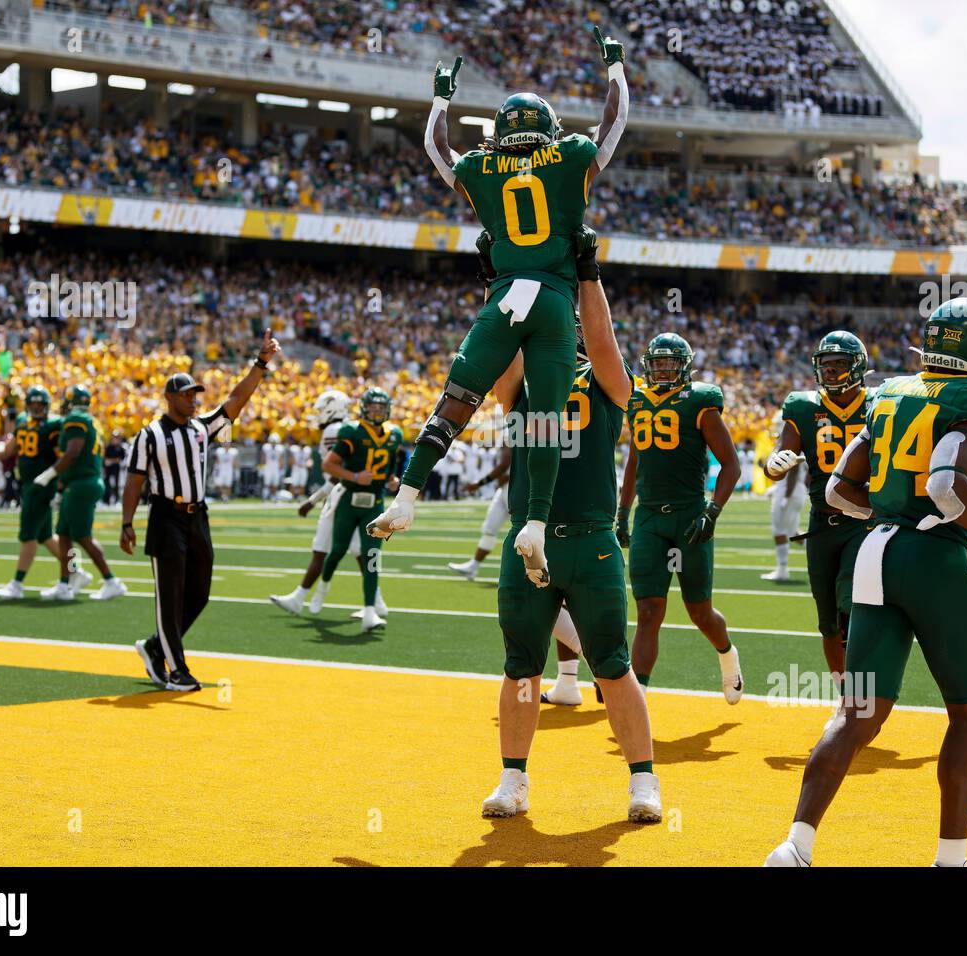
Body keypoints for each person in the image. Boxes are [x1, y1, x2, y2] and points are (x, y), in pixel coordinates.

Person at [368, 27, 630, 595]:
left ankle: (407, 497)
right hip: (557, 301)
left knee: (459, 396)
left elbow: (438, 150)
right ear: (549, 131)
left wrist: (440, 99)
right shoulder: (571, 157)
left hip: (506, 294)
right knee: (544, 420)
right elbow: (611, 130)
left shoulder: (482, 169)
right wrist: (614, 70)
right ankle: (535, 523)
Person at [765, 297, 967, 868]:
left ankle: (795, 847)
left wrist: (887, 518)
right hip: (931, 557)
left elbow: (836, 490)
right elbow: (945, 483)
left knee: (856, 712)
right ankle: (951, 859)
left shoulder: (888, 393)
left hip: (873, 552)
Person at [481, 226, 661, 823]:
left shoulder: (607, 379)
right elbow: (499, 350)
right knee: (521, 666)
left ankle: (642, 783)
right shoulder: (523, 383)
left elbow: (604, 338)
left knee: (612, 664)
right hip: (529, 540)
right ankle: (513, 779)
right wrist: (501, 285)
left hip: (589, 540)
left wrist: (587, 273)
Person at [122, 330, 281, 692]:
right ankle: (177, 668)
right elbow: (134, 480)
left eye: (196, 394)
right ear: (169, 398)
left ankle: (154, 646)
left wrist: (260, 364)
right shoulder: (150, 435)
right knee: (170, 594)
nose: (194, 400)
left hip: (198, 516)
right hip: (165, 515)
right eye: (187, 394)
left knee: (200, 592)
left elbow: (236, 399)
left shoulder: (200, 428)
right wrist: (127, 522)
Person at [617, 332, 744, 702]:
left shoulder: (700, 401)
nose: (663, 370)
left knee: (699, 611)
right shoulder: (637, 399)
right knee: (648, 609)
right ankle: (636, 696)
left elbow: (731, 466)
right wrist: (623, 511)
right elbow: (635, 459)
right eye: (657, 363)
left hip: (689, 516)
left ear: (685, 367)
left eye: (670, 363)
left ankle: (727, 655)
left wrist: (712, 512)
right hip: (650, 518)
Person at [764, 331, 874, 679]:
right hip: (821, 524)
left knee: (849, 603)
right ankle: (845, 699)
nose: (831, 372)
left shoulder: (878, 404)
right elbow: (781, 457)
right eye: (826, 366)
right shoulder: (803, 405)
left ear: (857, 367)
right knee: (828, 623)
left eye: (840, 365)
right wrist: (774, 465)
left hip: (864, 520)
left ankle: (863, 689)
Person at [270, 389, 389, 619]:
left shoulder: (336, 431)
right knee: (352, 550)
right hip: (348, 494)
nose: (319, 414)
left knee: (326, 549)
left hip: (341, 496)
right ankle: (376, 602)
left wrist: (313, 500)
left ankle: (300, 598)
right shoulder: (351, 428)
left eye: (322, 410)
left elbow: (337, 472)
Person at [317, 387, 403, 632]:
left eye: (381, 408)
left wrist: (391, 480)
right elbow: (329, 465)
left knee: (372, 556)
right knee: (337, 550)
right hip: (348, 500)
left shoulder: (394, 433)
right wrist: (354, 475)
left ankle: (369, 611)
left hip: (375, 503)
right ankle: (321, 590)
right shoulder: (351, 431)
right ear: (364, 408)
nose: (377, 412)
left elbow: (390, 466)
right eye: (373, 407)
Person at [33, 385, 124, 602]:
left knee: (83, 537)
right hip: (77, 482)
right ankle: (66, 582)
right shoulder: (89, 419)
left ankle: (111, 581)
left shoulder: (76, 418)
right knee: (64, 535)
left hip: (83, 484)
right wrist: (62, 486)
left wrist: (49, 474)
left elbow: (73, 452)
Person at [0, 387, 69, 600]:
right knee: (45, 536)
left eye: (40, 405)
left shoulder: (54, 425)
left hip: (41, 486)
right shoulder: (23, 421)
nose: (35, 408)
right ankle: (75, 570)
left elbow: (63, 456)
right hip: (27, 485)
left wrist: (60, 483)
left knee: (28, 536)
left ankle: (17, 584)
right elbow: (9, 450)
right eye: (32, 404)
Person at [446, 446, 512, 580]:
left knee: (523, 533)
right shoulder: (511, 431)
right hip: (504, 489)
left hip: (516, 487)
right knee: (489, 529)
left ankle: (535, 572)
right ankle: (473, 567)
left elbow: (505, 464)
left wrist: (479, 483)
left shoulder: (517, 430)